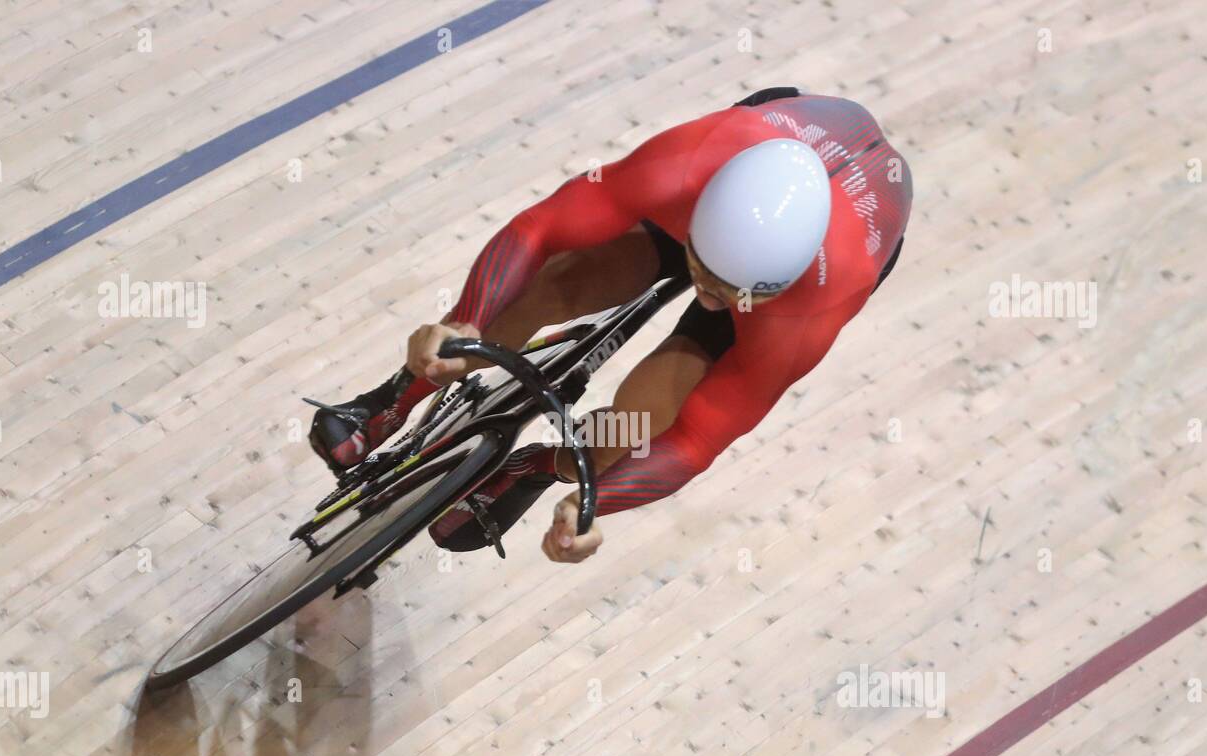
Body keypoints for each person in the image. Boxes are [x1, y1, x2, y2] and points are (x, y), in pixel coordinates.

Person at [309, 88, 912, 563]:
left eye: (731, 292)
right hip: (740, 159)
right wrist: (463, 322)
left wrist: (593, 501)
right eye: (701, 267)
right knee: (561, 282)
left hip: (822, 266)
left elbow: (695, 442)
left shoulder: (811, 306)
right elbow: (538, 230)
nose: (705, 295)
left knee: (648, 417)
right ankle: (393, 400)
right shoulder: (686, 163)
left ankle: (539, 466)